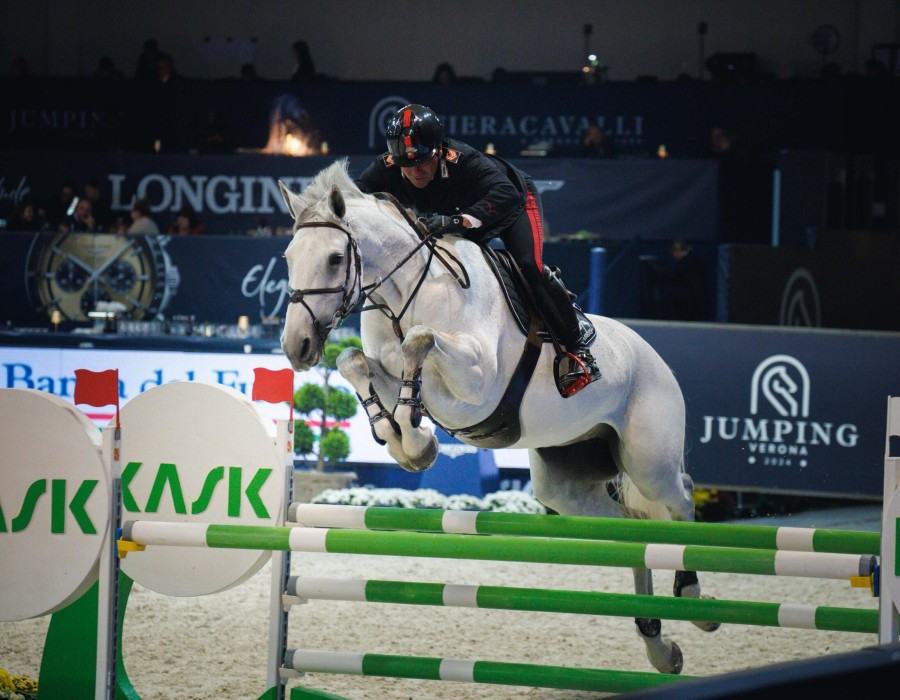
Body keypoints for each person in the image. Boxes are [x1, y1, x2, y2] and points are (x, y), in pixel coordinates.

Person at [354, 103, 600, 395]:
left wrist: (457, 220)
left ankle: (577, 347)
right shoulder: (388, 166)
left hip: (511, 204)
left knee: (527, 264)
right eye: (407, 165)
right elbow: (351, 200)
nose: (416, 171)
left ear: (439, 149)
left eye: (423, 161)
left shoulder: (462, 160)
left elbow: (506, 194)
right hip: (458, 220)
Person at [643, 239, 707, 321]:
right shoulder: (681, 263)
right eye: (673, 250)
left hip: (690, 300)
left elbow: (679, 280)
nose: (675, 253)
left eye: (679, 250)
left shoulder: (690, 264)